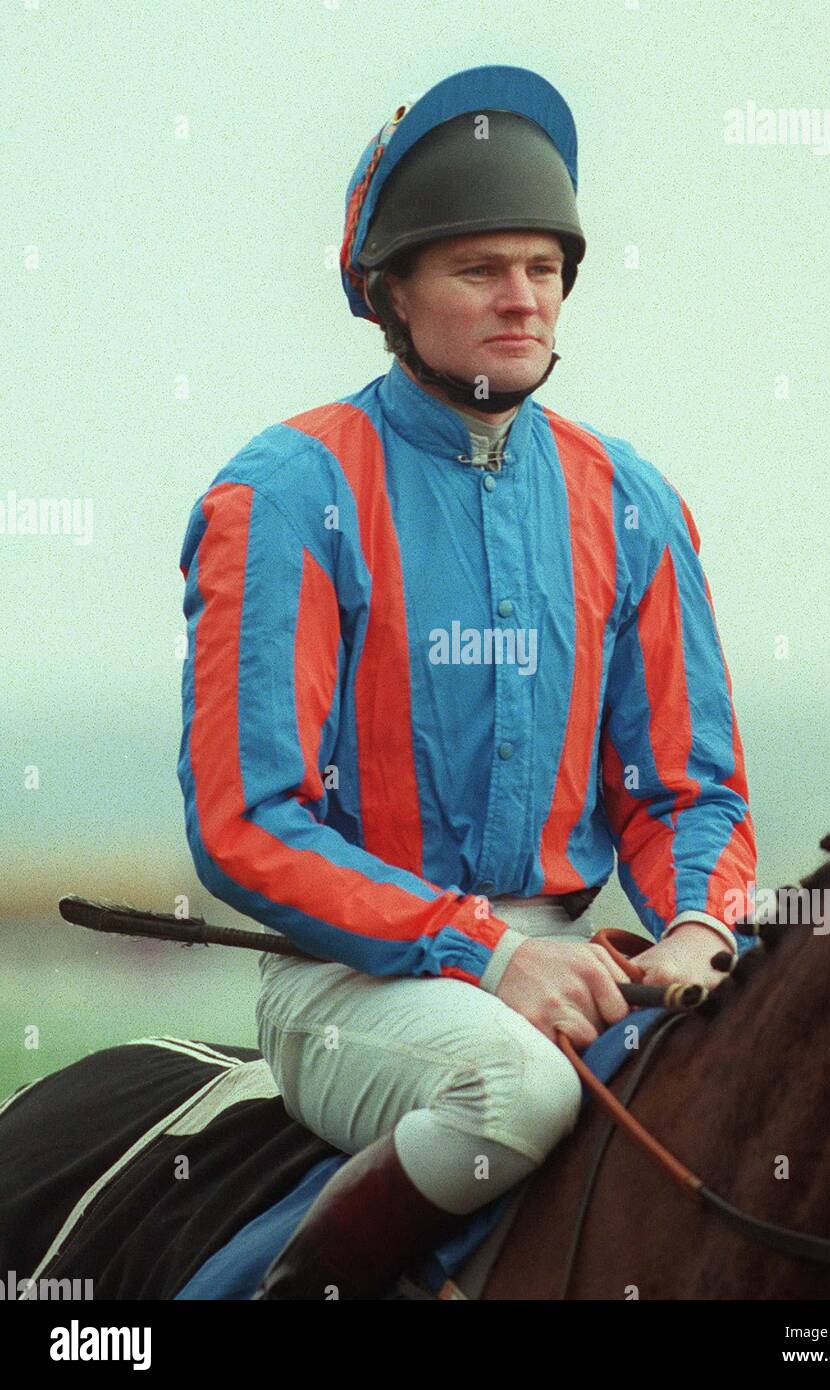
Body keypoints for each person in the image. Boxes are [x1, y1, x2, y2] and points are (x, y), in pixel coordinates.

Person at [177, 64, 757, 1300]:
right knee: (518, 1086)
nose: (520, 300)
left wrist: (702, 924)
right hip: (349, 982)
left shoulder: (633, 503)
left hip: (570, 955)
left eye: (542, 269)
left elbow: (686, 789)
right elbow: (247, 822)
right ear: (390, 293)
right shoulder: (283, 496)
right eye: (479, 269)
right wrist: (486, 953)